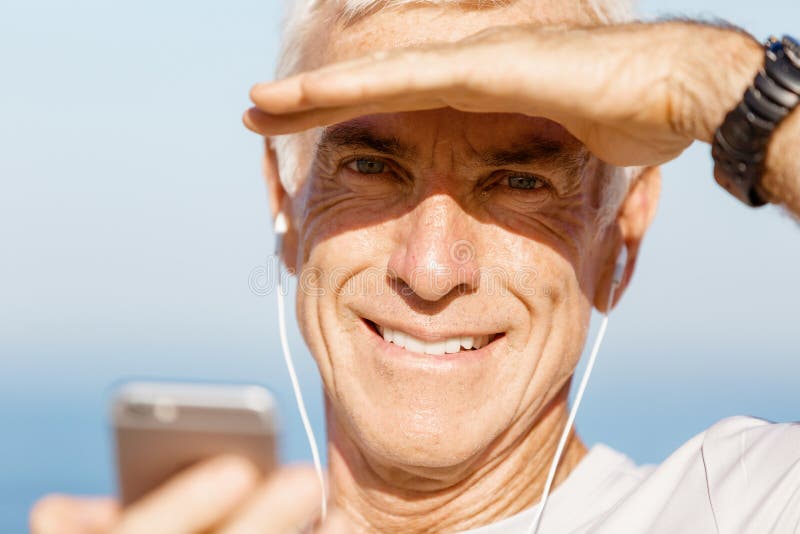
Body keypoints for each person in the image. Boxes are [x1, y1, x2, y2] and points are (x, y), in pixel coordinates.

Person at [31, 0, 800, 532]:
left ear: (623, 231)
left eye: (521, 181)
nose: (430, 270)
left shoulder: (738, 506)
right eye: (370, 166)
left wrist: (712, 82)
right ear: (284, 198)